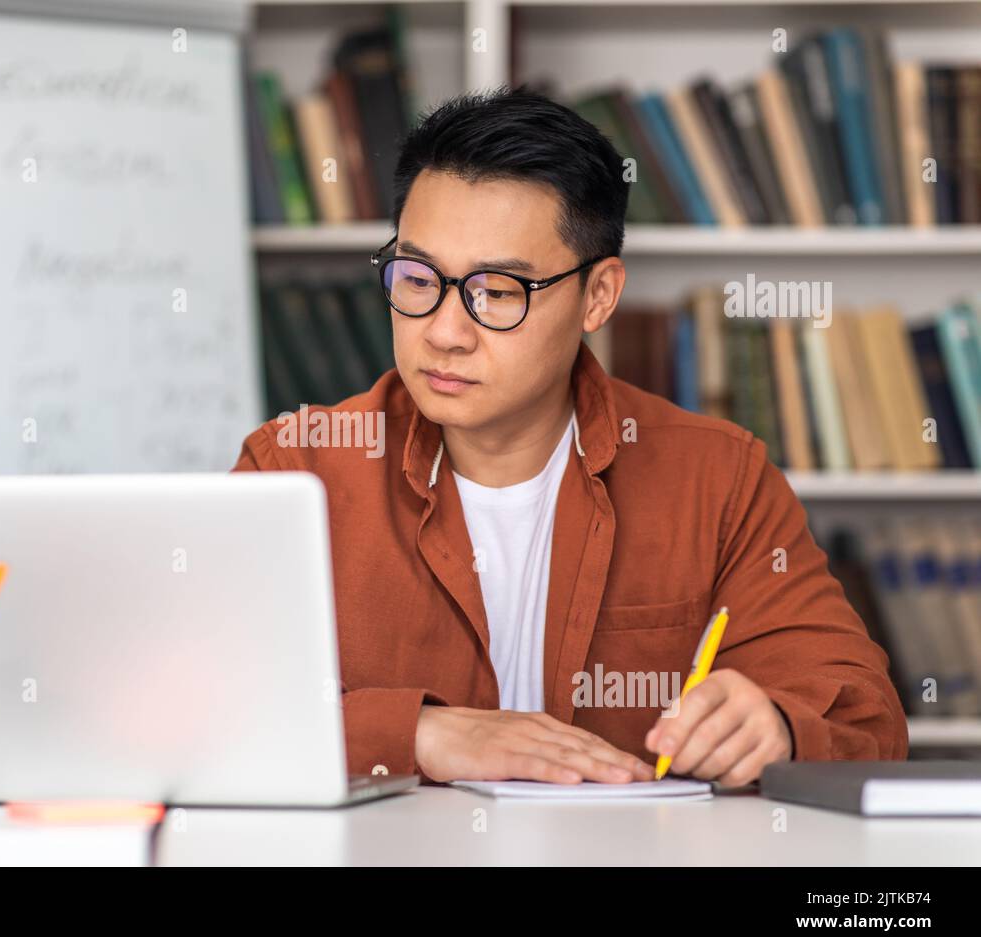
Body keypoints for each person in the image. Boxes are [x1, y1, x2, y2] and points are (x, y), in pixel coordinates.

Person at [233, 86, 908, 787]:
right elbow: (192, 715)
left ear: (599, 296)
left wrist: (776, 723)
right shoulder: (293, 470)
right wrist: (420, 734)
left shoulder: (716, 477)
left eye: (496, 292)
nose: (443, 331)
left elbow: (868, 719)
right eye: (418, 277)